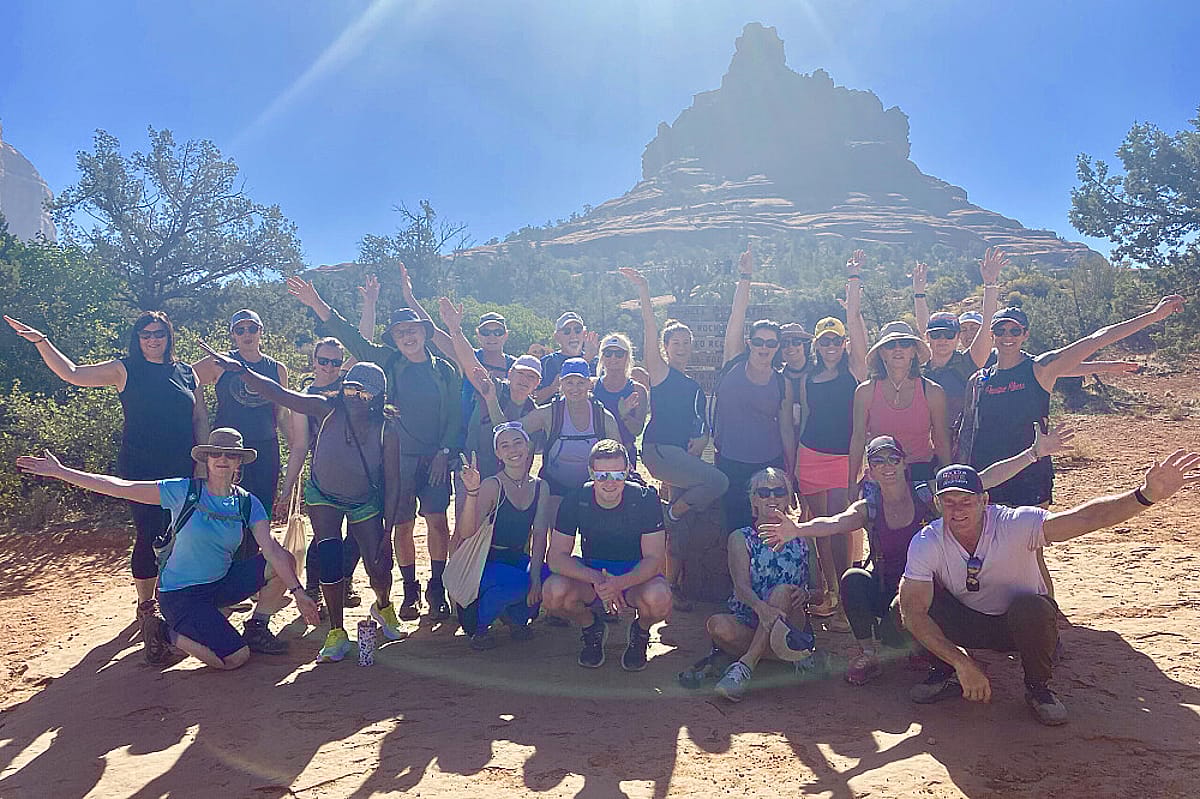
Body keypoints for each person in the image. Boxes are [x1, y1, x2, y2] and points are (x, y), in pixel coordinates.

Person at [898, 454, 1200, 725]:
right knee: (906, 602)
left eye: (966, 501)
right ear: (937, 504)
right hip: (971, 622)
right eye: (948, 502)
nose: (957, 510)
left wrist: (1145, 496)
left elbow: (1086, 518)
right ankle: (947, 670)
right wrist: (961, 661)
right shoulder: (927, 541)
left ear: (984, 500)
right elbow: (912, 611)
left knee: (1030, 607)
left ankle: (1037, 688)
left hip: (1020, 626)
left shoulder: (1016, 523)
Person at [760, 429, 1073, 686]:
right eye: (878, 460)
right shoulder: (869, 506)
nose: (887, 465)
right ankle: (868, 654)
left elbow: (983, 480)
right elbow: (836, 522)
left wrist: (1033, 454)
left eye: (892, 457)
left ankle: (936, 652)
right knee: (853, 580)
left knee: (932, 611)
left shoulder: (928, 495)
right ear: (869, 470)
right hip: (890, 587)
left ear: (903, 462)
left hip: (933, 590)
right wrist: (798, 529)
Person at [16, 428, 320, 669]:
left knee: (285, 561)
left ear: (239, 461)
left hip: (220, 583)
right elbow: (119, 486)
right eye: (216, 453)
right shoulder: (181, 491)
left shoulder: (246, 502)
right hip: (182, 594)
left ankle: (256, 626)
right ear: (207, 458)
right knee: (234, 659)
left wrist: (298, 593)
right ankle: (166, 631)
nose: (223, 459)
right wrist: (62, 472)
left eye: (231, 454)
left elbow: (271, 549)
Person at [5, 311, 207, 664]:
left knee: (177, 535)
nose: (153, 339)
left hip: (182, 467)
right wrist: (42, 342)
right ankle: (147, 606)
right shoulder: (123, 369)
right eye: (145, 334)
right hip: (139, 468)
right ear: (137, 337)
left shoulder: (186, 372)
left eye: (159, 333)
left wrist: (203, 459)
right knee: (149, 534)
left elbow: (199, 417)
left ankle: (171, 601)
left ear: (168, 335)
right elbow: (72, 374)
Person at [957, 295, 1184, 598]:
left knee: (1031, 547)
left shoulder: (1038, 369)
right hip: (989, 472)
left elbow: (1096, 338)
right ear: (992, 336)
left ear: (1025, 334)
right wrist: (1104, 367)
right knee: (991, 544)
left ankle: (1049, 614)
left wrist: (1153, 316)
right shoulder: (983, 378)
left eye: (1015, 331)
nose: (1007, 337)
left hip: (1030, 471)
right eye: (1001, 331)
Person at [198, 345, 408, 663]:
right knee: (329, 556)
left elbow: (393, 484)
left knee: (378, 564)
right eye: (350, 388)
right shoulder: (326, 408)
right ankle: (336, 631)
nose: (353, 396)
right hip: (323, 495)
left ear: (377, 398)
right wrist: (241, 371)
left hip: (365, 499)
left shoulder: (386, 431)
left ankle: (383, 605)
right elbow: (281, 395)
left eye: (363, 393)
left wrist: (388, 533)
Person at [288, 275, 463, 622]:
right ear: (394, 339)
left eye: (412, 330)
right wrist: (317, 303)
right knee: (402, 525)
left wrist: (445, 451)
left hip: (435, 458)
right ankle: (410, 589)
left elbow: (455, 417)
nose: (408, 337)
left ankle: (437, 587)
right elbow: (351, 336)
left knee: (438, 522)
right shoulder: (387, 361)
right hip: (396, 460)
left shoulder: (445, 370)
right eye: (400, 333)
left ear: (425, 333)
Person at [620, 267, 727, 607]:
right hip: (660, 450)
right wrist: (645, 294)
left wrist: (703, 437)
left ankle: (672, 586)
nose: (681, 347)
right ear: (665, 348)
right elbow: (649, 332)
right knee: (718, 483)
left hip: (682, 456)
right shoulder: (661, 373)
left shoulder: (693, 384)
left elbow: (698, 423)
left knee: (680, 531)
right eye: (675, 342)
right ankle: (672, 511)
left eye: (686, 342)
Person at [684, 467, 817, 702]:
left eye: (779, 492)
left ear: (788, 498)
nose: (772, 498)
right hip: (749, 616)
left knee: (781, 592)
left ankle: (745, 666)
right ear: (753, 500)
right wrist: (761, 609)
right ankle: (793, 654)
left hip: (790, 622)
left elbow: (821, 593)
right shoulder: (740, 538)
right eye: (763, 492)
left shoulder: (803, 537)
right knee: (717, 626)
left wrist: (805, 595)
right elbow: (741, 588)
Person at [542, 440, 672, 671]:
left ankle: (641, 632)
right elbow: (557, 557)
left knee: (659, 598)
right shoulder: (575, 500)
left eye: (617, 474)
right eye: (602, 475)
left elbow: (654, 560)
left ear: (628, 470)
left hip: (635, 575)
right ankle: (591, 626)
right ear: (591, 473)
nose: (609, 482)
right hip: (594, 574)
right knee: (553, 593)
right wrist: (599, 580)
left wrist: (619, 583)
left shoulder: (645, 499)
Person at [793, 252, 869, 621]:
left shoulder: (856, 370)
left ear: (843, 344)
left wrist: (853, 279)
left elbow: (855, 324)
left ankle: (848, 588)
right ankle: (829, 591)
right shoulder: (808, 378)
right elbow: (806, 417)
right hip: (811, 456)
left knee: (842, 526)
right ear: (817, 346)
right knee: (820, 529)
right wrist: (794, 461)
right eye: (824, 342)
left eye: (835, 341)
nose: (830, 347)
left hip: (843, 457)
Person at [712, 245, 794, 532]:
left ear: (778, 348)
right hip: (731, 462)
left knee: (768, 527)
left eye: (771, 343)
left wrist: (790, 472)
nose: (764, 347)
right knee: (734, 527)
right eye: (758, 341)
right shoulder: (733, 362)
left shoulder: (782, 382)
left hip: (768, 466)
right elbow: (737, 315)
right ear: (750, 343)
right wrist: (745, 276)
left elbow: (785, 429)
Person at [452, 424, 553, 649]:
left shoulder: (540, 487)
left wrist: (536, 578)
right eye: (504, 445)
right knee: (519, 582)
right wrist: (472, 492)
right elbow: (467, 532)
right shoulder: (492, 485)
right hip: (483, 562)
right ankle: (479, 626)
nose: (513, 449)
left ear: (528, 447)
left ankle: (515, 618)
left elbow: (539, 536)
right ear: (497, 453)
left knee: (548, 577)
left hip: (515, 558)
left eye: (518, 442)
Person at [282, 338, 364, 614]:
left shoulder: (350, 391)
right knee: (323, 537)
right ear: (314, 361)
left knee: (357, 536)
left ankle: (346, 580)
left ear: (343, 365)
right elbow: (300, 446)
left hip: (358, 477)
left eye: (336, 362)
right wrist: (287, 487)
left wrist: (370, 302)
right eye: (324, 360)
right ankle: (315, 587)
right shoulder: (303, 397)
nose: (329, 367)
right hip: (322, 477)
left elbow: (361, 341)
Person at [192, 309, 292, 535]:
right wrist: (201, 413)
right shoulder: (218, 363)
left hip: (265, 447)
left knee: (260, 509)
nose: (247, 334)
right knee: (224, 507)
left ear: (261, 332)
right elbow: (186, 376)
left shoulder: (276, 369)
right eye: (240, 330)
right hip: (226, 450)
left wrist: (296, 449)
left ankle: (254, 561)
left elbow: (282, 414)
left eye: (252, 328)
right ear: (233, 335)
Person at [436, 298, 539, 488]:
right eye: (486, 331)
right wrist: (453, 328)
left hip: (507, 464)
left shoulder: (533, 409)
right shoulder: (491, 382)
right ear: (511, 374)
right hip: (472, 448)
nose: (492, 336)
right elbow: (461, 353)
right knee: (468, 510)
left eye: (498, 332)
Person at [847, 321, 951, 487]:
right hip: (881, 473)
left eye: (904, 343)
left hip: (922, 472)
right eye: (890, 345)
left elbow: (941, 439)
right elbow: (858, 438)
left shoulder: (932, 392)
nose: (897, 349)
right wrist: (852, 482)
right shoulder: (865, 392)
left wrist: (948, 479)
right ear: (881, 353)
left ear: (913, 352)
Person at [912, 251, 1004, 437]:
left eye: (949, 334)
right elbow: (924, 326)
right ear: (928, 338)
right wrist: (919, 293)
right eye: (936, 335)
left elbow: (987, 323)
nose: (943, 340)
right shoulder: (918, 370)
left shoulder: (969, 362)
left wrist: (990, 285)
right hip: (925, 445)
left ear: (957, 337)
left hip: (964, 442)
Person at [518, 358, 620, 516]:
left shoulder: (603, 417)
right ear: (561, 384)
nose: (575, 388)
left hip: (593, 487)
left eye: (580, 383)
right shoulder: (549, 413)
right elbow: (510, 431)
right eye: (569, 382)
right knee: (556, 529)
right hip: (554, 485)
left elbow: (619, 457)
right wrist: (491, 402)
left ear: (589, 384)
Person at [591, 333, 649, 469]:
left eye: (619, 354)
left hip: (624, 453)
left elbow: (637, 430)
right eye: (608, 353)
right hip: (595, 452)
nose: (613, 358)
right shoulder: (592, 386)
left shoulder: (638, 390)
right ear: (601, 356)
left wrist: (625, 415)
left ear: (627, 357)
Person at [534, 312, 597, 403]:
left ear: (584, 334)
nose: (573, 335)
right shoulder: (546, 363)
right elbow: (533, 399)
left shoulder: (596, 362)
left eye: (577, 330)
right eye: (567, 331)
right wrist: (554, 388)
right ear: (557, 337)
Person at [779, 322, 814, 452]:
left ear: (804, 345)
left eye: (796, 342)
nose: (790, 347)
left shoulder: (819, 373)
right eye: (784, 344)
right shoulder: (777, 378)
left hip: (815, 444)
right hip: (782, 445)